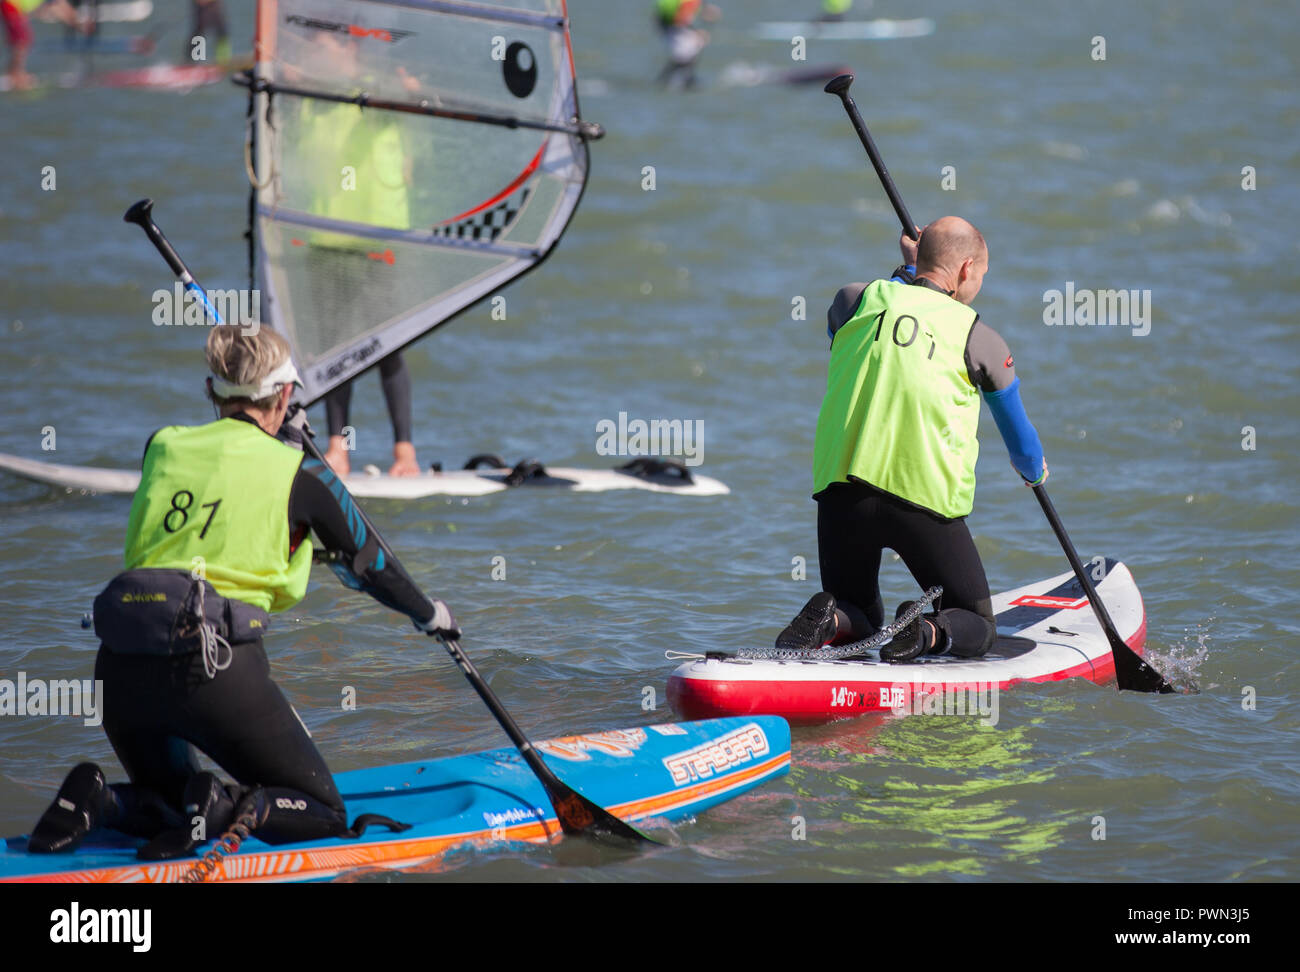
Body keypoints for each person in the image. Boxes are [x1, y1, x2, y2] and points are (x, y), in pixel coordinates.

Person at [28, 325, 459, 859]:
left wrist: (284, 442)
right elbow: (373, 564)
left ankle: (102, 800)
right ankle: (227, 807)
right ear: (283, 395)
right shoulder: (300, 472)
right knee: (322, 810)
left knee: (168, 803)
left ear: (213, 392)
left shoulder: (161, 445)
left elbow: (218, 498)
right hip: (213, 669)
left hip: (120, 667)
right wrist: (429, 615)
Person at [777, 217, 1047, 662]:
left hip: (842, 492)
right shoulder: (980, 338)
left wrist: (908, 270)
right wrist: (1035, 472)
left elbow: (873, 327)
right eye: (979, 273)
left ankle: (833, 619)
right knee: (977, 625)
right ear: (965, 270)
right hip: (922, 500)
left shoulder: (852, 300)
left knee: (860, 615)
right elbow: (1021, 444)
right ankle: (925, 631)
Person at [2, 0, 85, 90]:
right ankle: (17, 75)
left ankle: (14, 73)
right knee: (22, 40)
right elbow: (60, 8)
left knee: (21, 40)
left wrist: (75, 22)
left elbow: (59, 8)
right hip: (11, 5)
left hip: (14, 7)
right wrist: (77, 24)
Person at [654, 0, 719, 90]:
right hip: (672, 27)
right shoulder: (689, 2)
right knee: (687, 53)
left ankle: (674, 80)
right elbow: (679, 20)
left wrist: (707, 10)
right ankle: (671, 81)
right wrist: (697, 32)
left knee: (688, 53)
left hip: (667, 24)